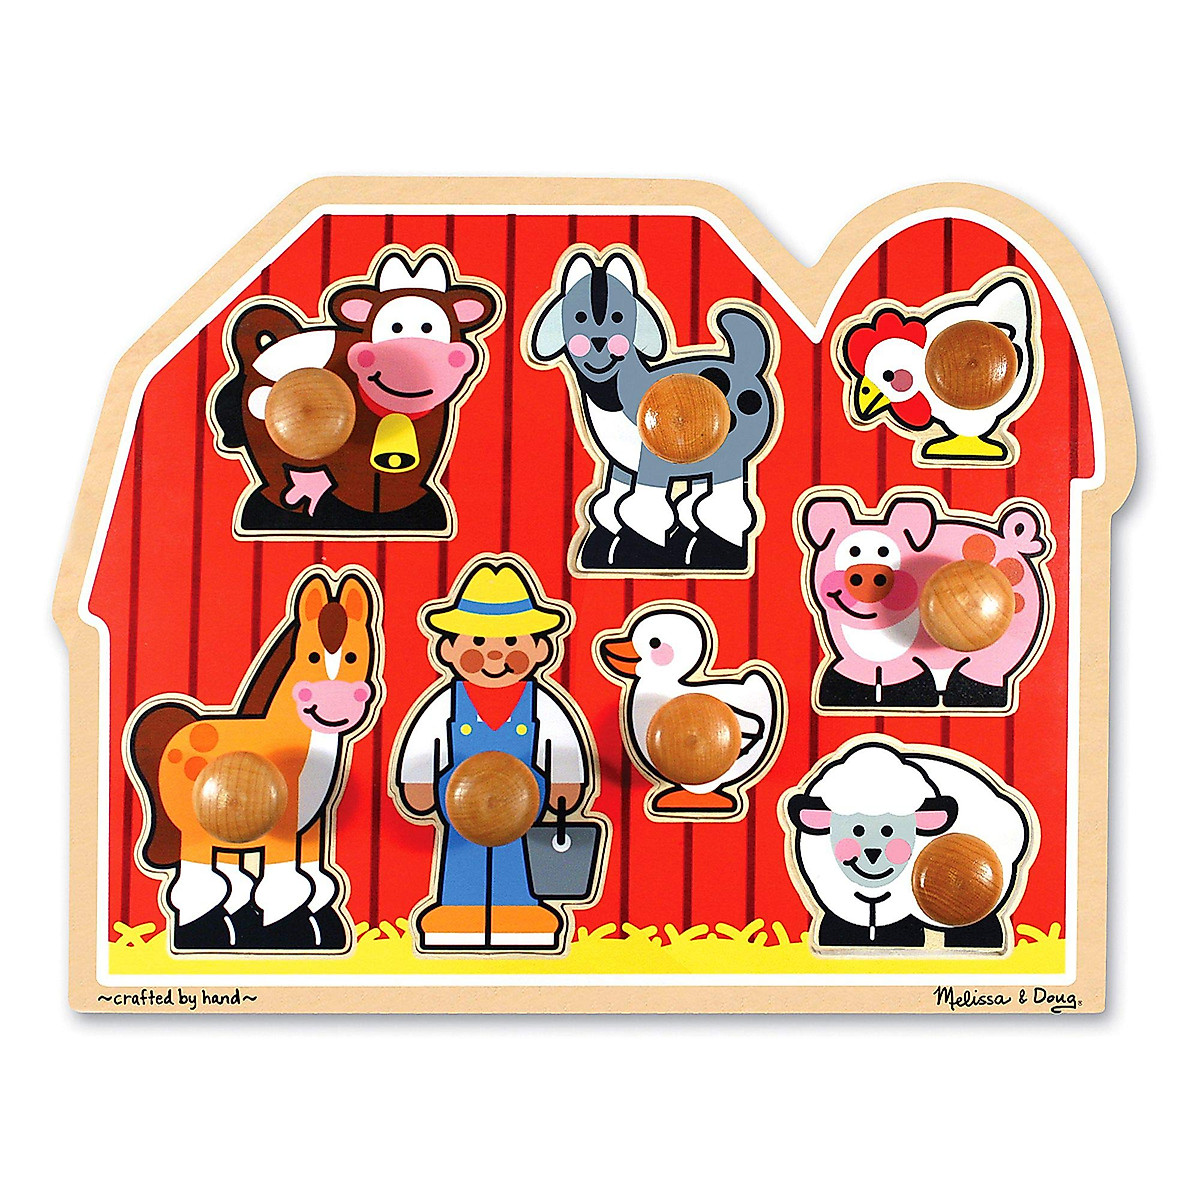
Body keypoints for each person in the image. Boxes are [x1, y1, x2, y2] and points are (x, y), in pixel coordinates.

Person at [394, 558, 591, 950]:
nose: (495, 655)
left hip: (527, 807)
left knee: (521, 860)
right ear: (448, 649)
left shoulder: (543, 703)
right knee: (460, 858)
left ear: (539, 649)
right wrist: (417, 782)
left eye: (512, 642)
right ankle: (457, 911)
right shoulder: (446, 703)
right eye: (479, 642)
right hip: (458, 805)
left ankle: (520, 912)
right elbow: (424, 741)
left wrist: (565, 782)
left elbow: (562, 743)